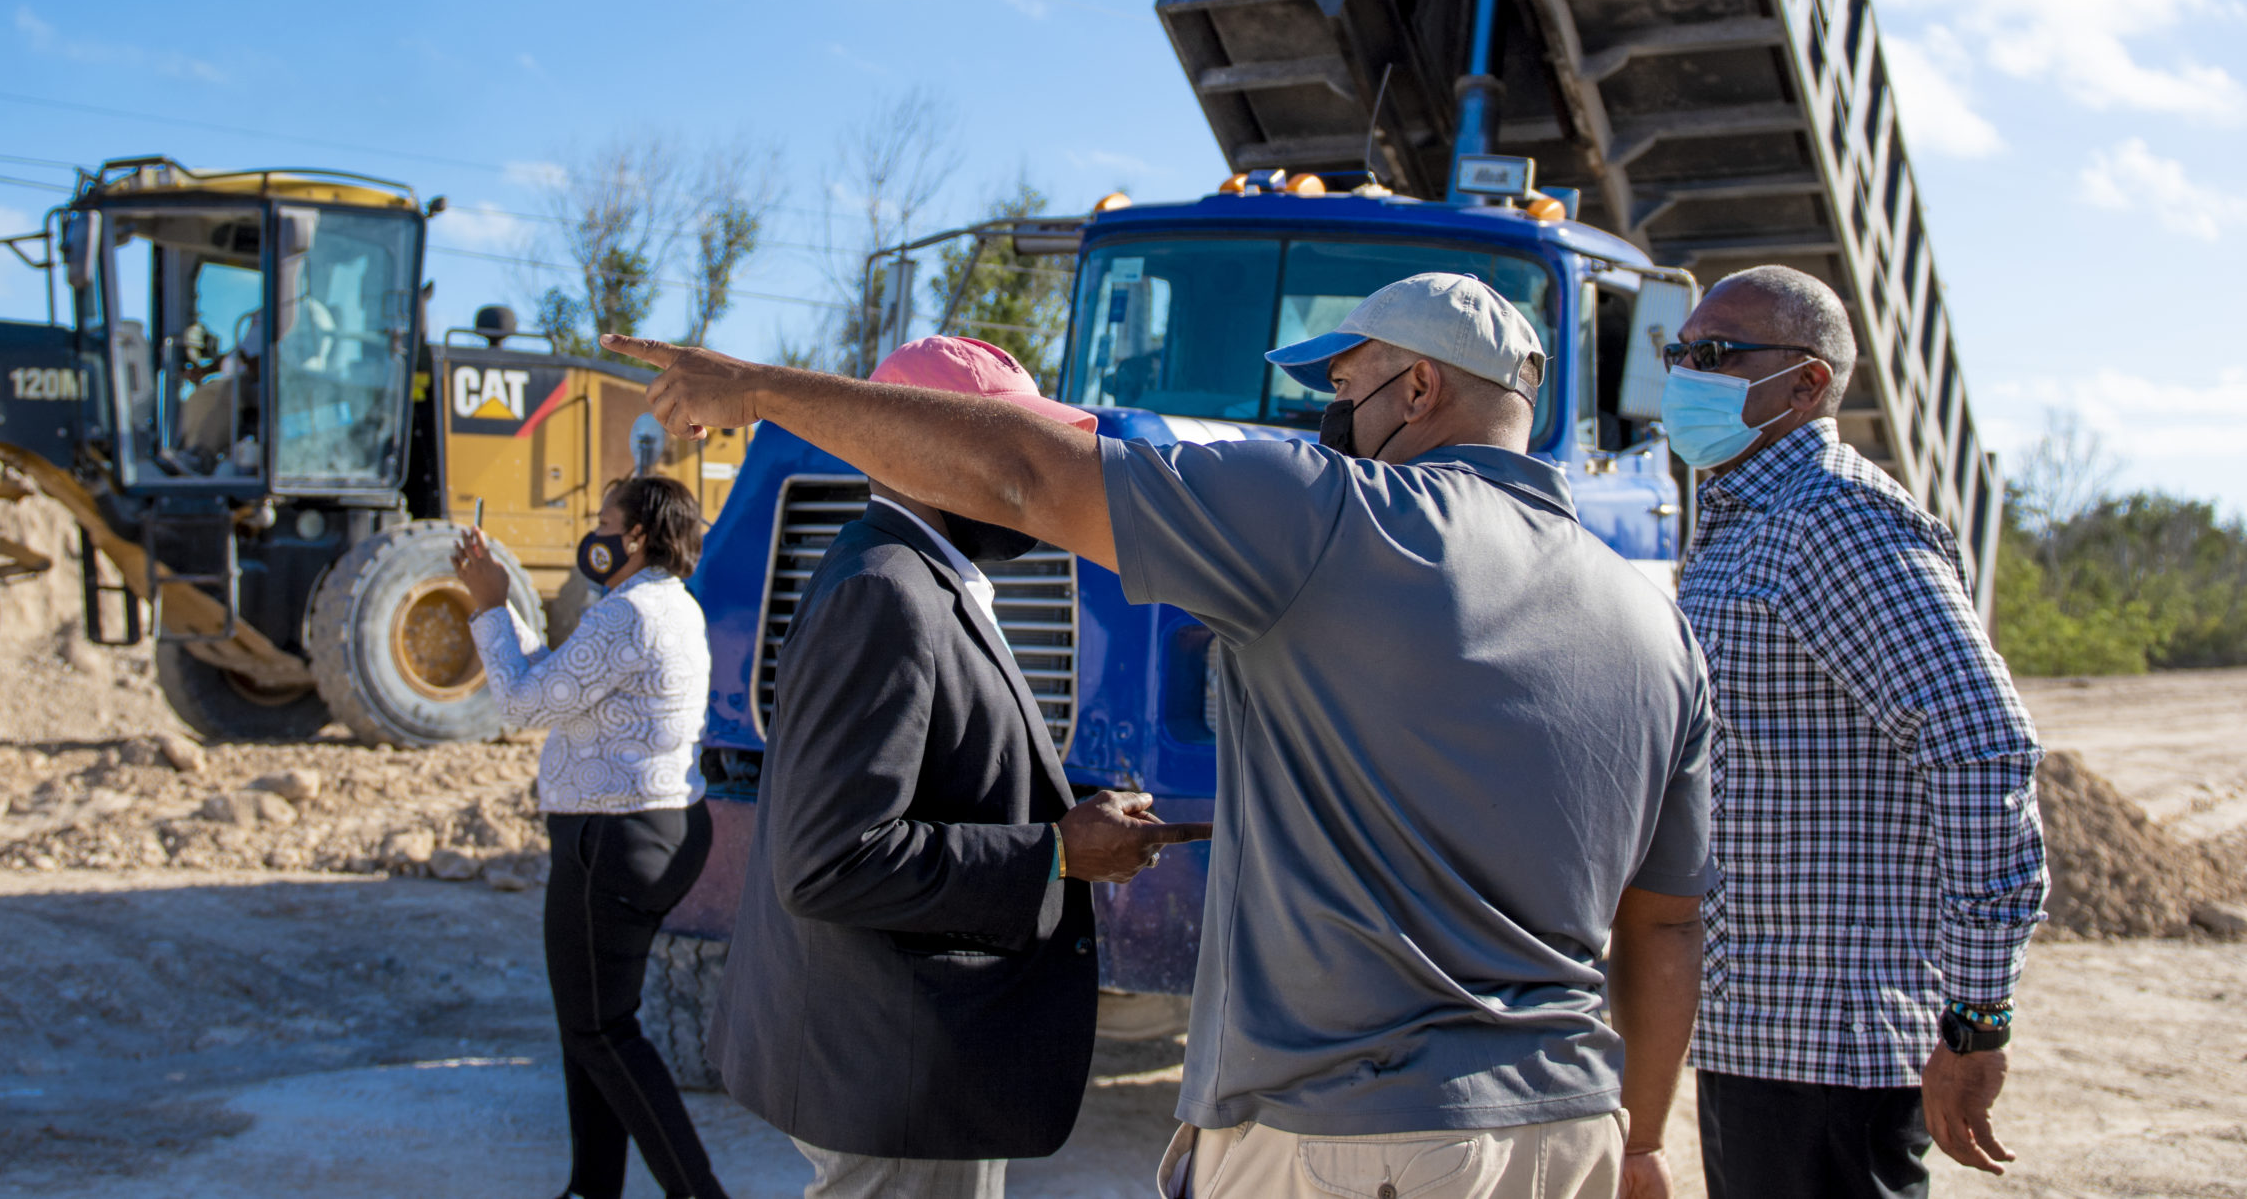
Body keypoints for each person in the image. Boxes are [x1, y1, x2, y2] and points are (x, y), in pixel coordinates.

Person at [609, 272, 1715, 1199]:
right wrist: (1645, 1138)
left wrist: (758, 388)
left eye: (1343, 386)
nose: (1328, 416)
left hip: (1349, 1133)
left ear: (1418, 387)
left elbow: (1022, 473)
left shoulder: (1334, 518)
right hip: (1573, 1127)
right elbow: (1664, 925)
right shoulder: (1655, 626)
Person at [706, 336, 1206, 1199]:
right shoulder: (884, 592)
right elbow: (831, 860)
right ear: (930, 450)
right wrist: (1057, 851)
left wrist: (1063, 818)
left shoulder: (920, 578)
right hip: (895, 1075)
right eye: (1013, 445)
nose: (1033, 473)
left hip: (912, 1064)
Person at [1662, 266, 2046, 1197]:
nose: (1686, 374)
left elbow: (1981, 742)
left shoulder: (1838, 521)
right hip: (1757, 1023)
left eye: (1715, 354)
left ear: (1807, 383)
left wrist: (1978, 1014)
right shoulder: (1743, 521)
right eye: (1679, 352)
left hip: (1831, 1039)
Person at [454, 476, 731, 1199]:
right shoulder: (670, 605)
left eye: (604, 520)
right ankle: (591, 1188)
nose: (594, 531)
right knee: (592, 1023)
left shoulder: (626, 615)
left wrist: (489, 606)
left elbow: (522, 702)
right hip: (654, 832)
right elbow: (555, 682)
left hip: (613, 840)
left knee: (601, 1030)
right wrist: (502, 602)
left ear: (635, 535)